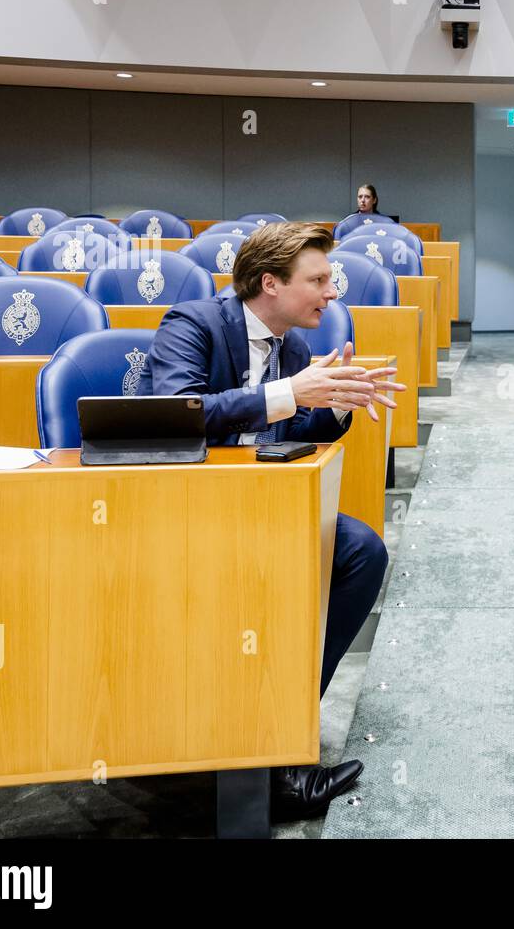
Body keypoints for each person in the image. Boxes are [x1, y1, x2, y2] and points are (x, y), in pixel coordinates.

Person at [139, 221, 405, 822]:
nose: (331, 293)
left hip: (256, 506)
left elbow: (287, 434)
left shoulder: (296, 350)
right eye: (317, 280)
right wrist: (289, 393)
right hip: (179, 510)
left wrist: (335, 404)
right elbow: (174, 414)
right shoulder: (194, 324)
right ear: (270, 283)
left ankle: (281, 729)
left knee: (360, 550)